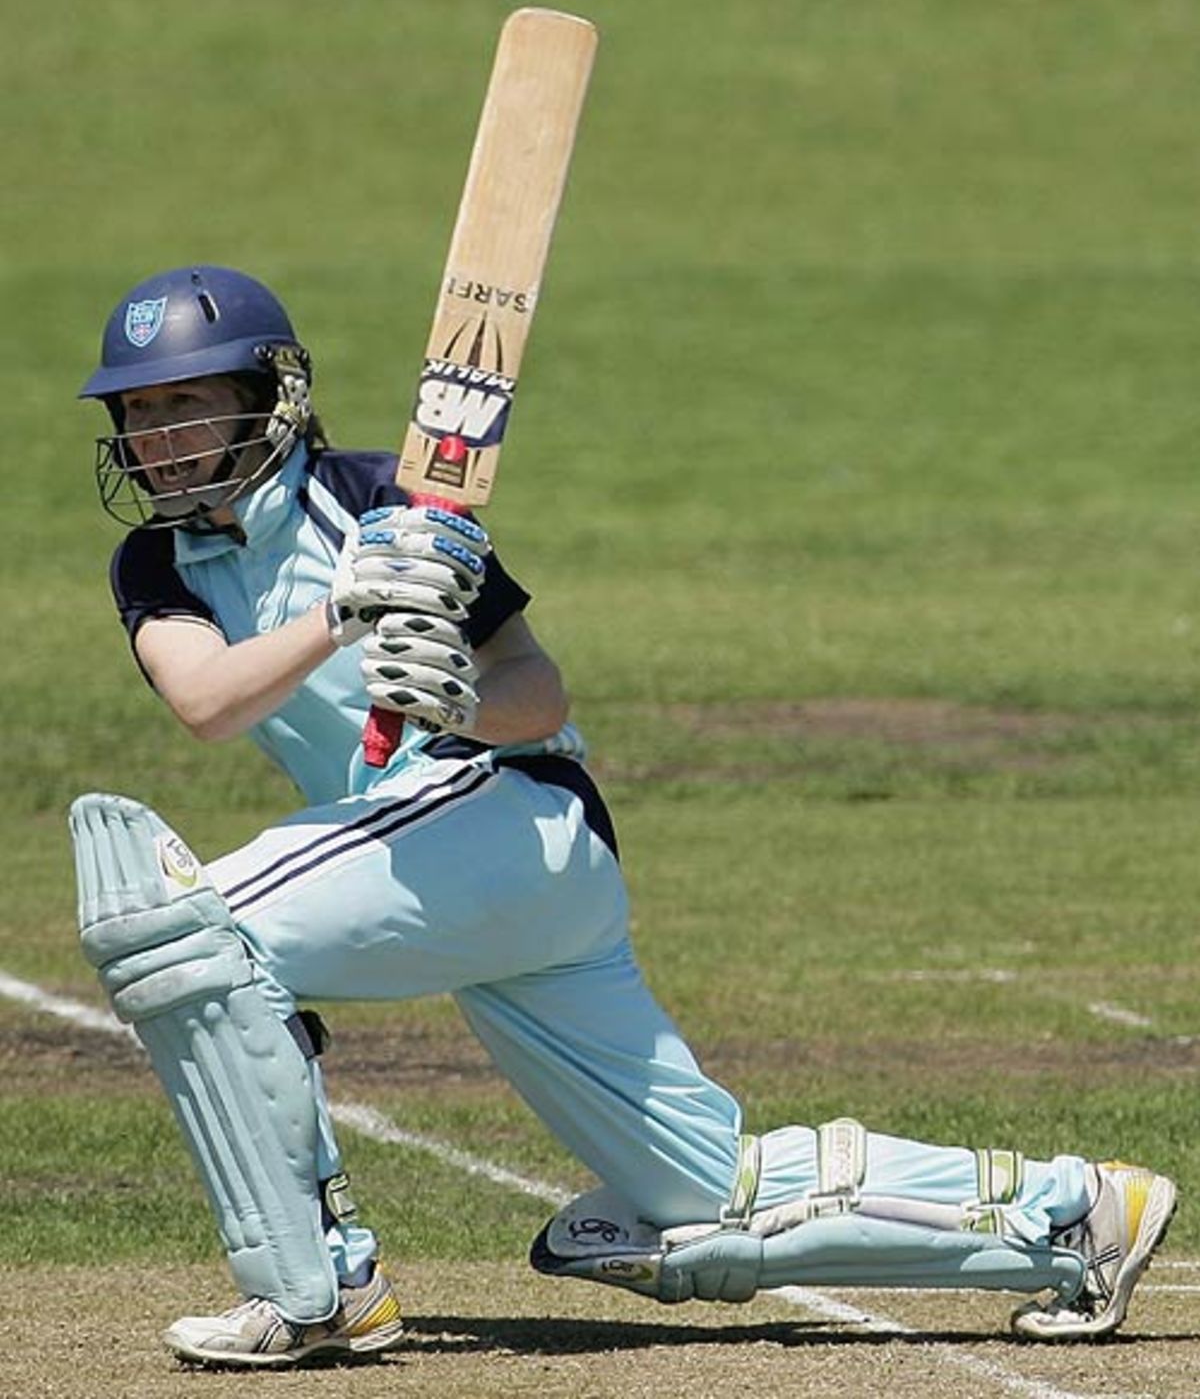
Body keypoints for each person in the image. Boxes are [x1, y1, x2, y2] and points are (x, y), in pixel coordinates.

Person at [71, 265, 1175, 1370]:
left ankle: (316, 1286)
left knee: (183, 930)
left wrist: (459, 700)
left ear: (270, 396)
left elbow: (538, 695)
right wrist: (342, 611)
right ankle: (1076, 1214)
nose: (157, 435)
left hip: (508, 814)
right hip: (443, 870)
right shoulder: (155, 561)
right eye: (138, 410)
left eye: (184, 401)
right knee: (701, 1191)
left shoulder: (380, 500)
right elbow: (207, 702)